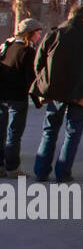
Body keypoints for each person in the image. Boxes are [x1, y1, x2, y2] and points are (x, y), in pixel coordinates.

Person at [30, 6, 83, 183]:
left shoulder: (56, 33)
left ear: (69, 16)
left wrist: (45, 80)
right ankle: (63, 172)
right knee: (72, 132)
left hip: (55, 91)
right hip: (81, 91)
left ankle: (41, 172)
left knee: (49, 131)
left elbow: (38, 61)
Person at [0, 18, 43, 178]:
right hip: (17, 98)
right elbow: (30, 79)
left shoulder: (7, 46)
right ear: (30, 33)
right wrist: (39, 100)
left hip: (2, 96)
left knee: (1, 132)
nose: (39, 36)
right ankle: (12, 168)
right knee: (14, 134)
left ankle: (1, 167)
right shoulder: (27, 51)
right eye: (38, 33)